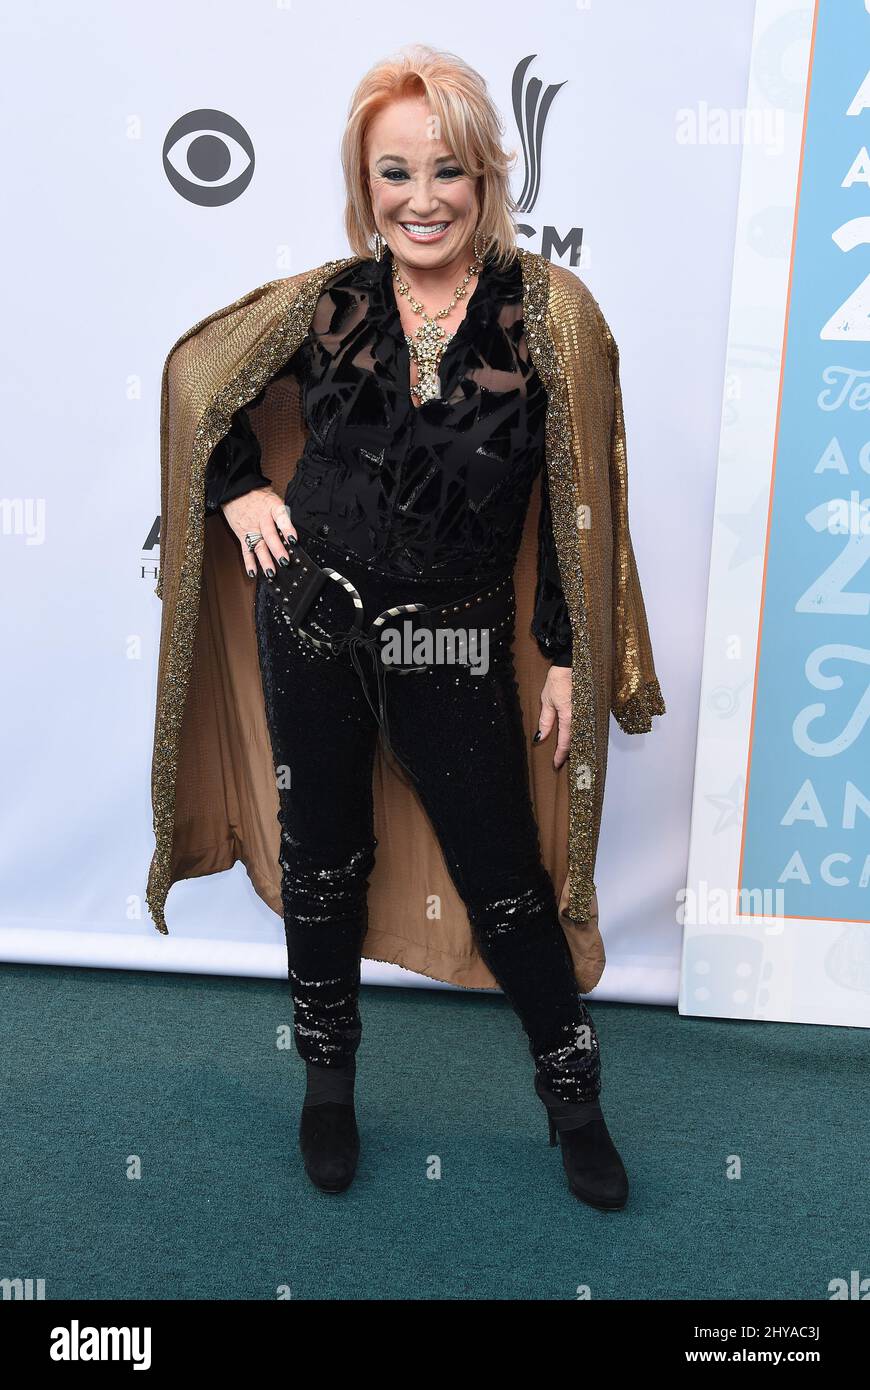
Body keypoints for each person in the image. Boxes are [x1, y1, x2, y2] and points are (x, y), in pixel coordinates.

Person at [146, 44, 666, 1212]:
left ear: (486, 181)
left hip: (450, 640)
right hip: (314, 617)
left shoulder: (549, 317)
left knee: (505, 883)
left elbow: (579, 500)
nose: (421, 198)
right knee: (324, 860)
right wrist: (238, 485)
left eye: (447, 172)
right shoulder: (330, 302)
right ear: (363, 185)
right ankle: (328, 1090)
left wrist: (575, 653)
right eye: (395, 173)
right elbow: (199, 385)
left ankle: (573, 1102)